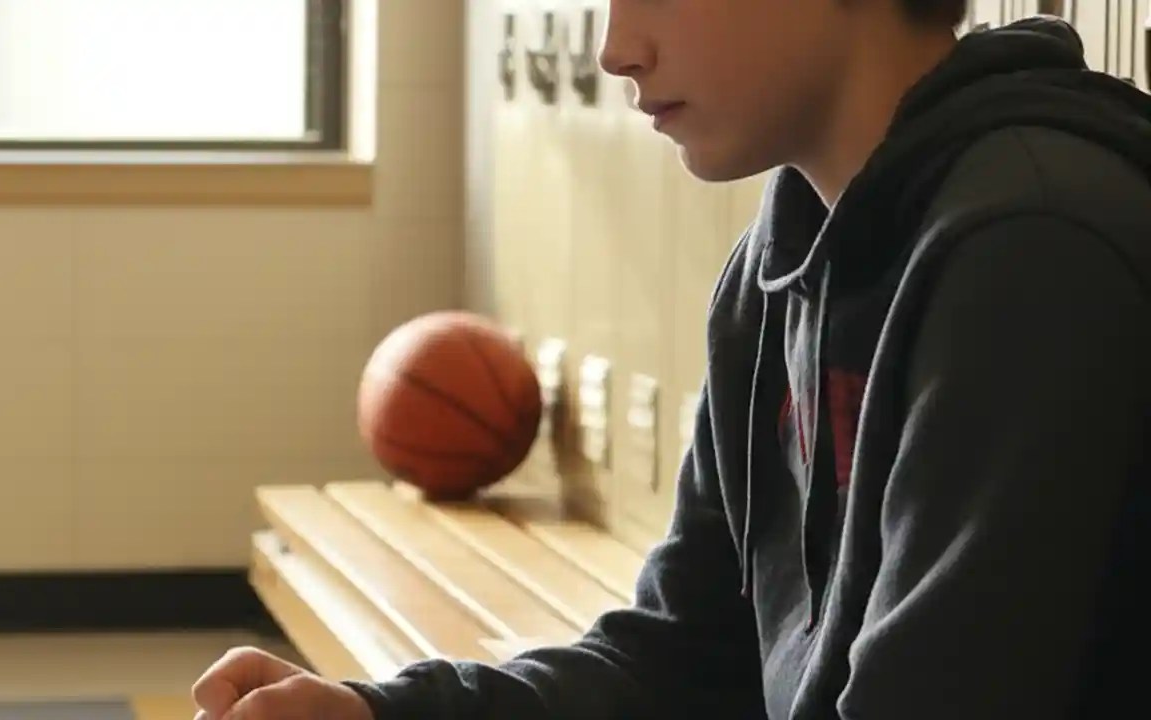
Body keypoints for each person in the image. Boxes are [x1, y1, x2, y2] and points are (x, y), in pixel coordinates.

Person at [192, 0, 1150, 718]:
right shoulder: (775, 271)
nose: (616, 48)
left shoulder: (1033, 247)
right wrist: (381, 713)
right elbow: (687, 661)